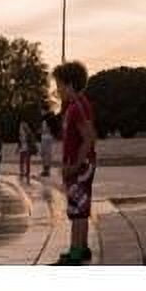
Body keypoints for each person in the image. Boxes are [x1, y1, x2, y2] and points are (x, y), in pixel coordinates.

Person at [53, 60, 98, 265]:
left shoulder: (77, 107)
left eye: (59, 85)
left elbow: (89, 137)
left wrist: (75, 165)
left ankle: (75, 253)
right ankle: (82, 248)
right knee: (80, 208)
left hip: (80, 167)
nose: (57, 90)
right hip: (80, 166)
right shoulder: (75, 105)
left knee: (77, 212)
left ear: (70, 84)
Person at [39, 111, 56, 177]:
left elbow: (43, 130)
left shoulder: (45, 122)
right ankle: (47, 169)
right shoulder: (50, 121)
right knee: (47, 154)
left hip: (45, 138)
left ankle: (45, 169)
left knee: (44, 154)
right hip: (49, 137)